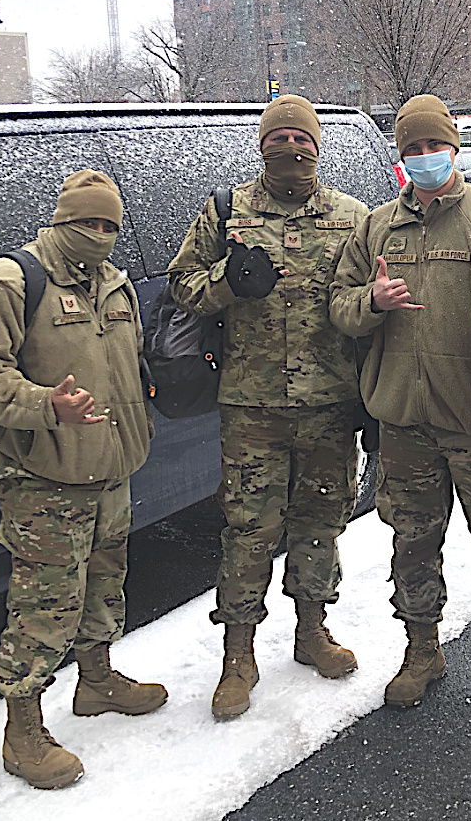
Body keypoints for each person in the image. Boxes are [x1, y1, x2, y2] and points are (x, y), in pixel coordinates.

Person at [0, 170, 166, 791]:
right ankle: (22, 727)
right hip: (44, 476)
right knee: (45, 602)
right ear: (60, 220)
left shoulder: (115, 284)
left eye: (109, 226)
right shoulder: (9, 282)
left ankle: (96, 681)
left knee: (105, 580)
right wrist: (47, 404)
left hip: (112, 467)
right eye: (87, 223)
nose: (99, 236)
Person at [329, 94, 471, 708]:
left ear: (453, 148)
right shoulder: (376, 227)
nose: (424, 158)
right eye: (412, 149)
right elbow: (338, 310)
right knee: (412, 543)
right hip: (404, 423)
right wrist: (373, 303)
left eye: (433, 146)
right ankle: (422, 647)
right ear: (400, 158)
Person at [167, 95, 369, 721]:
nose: (290, 150)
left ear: (318, 147)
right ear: (261, 145)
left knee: (321, 522)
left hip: (330, 404)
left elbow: (370, 301)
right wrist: (229, 282)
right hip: (251, 405)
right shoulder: (226, 212)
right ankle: (238, 654)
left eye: (301, 140)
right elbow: (180, 286)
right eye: (278, 139)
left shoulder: (351, 216)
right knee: (249, 530)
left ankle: (311, 631)